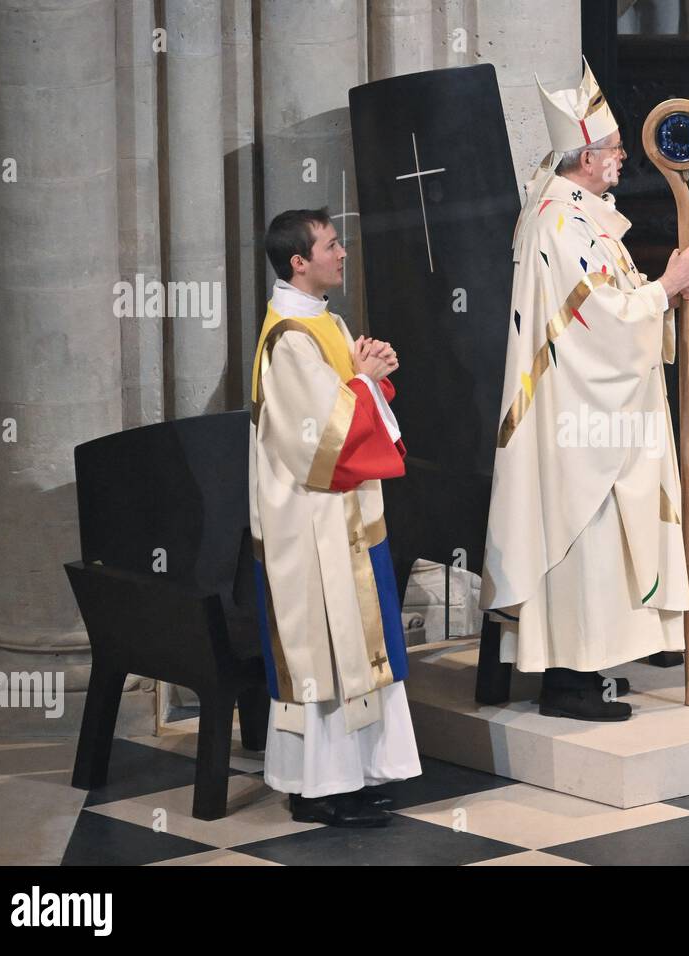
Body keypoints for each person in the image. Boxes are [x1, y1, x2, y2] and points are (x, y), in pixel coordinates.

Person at [481, 60, 689, 721]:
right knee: (587, 535)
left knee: (605, 544)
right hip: (581, 420)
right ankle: (569, 683)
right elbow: (594, 324)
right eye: (611, 149)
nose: (621, 158)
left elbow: (608, 303)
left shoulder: (578, 214)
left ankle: (589, 667)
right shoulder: (559, 224)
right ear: (583, 157)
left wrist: (660, 295)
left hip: (599, 410)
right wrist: (663, 289)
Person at [249, 208, 421, 826]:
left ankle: (353, 775)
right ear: (299, 261)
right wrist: (365, 381)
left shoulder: (323, 321)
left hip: (346, 518)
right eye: (330, 245)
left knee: (357, 646)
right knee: (323, 651)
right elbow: (316, 440)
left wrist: (370, 372)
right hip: (311, 524)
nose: (342, 252)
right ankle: (317, 787)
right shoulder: (289, 337)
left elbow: (348, 397)